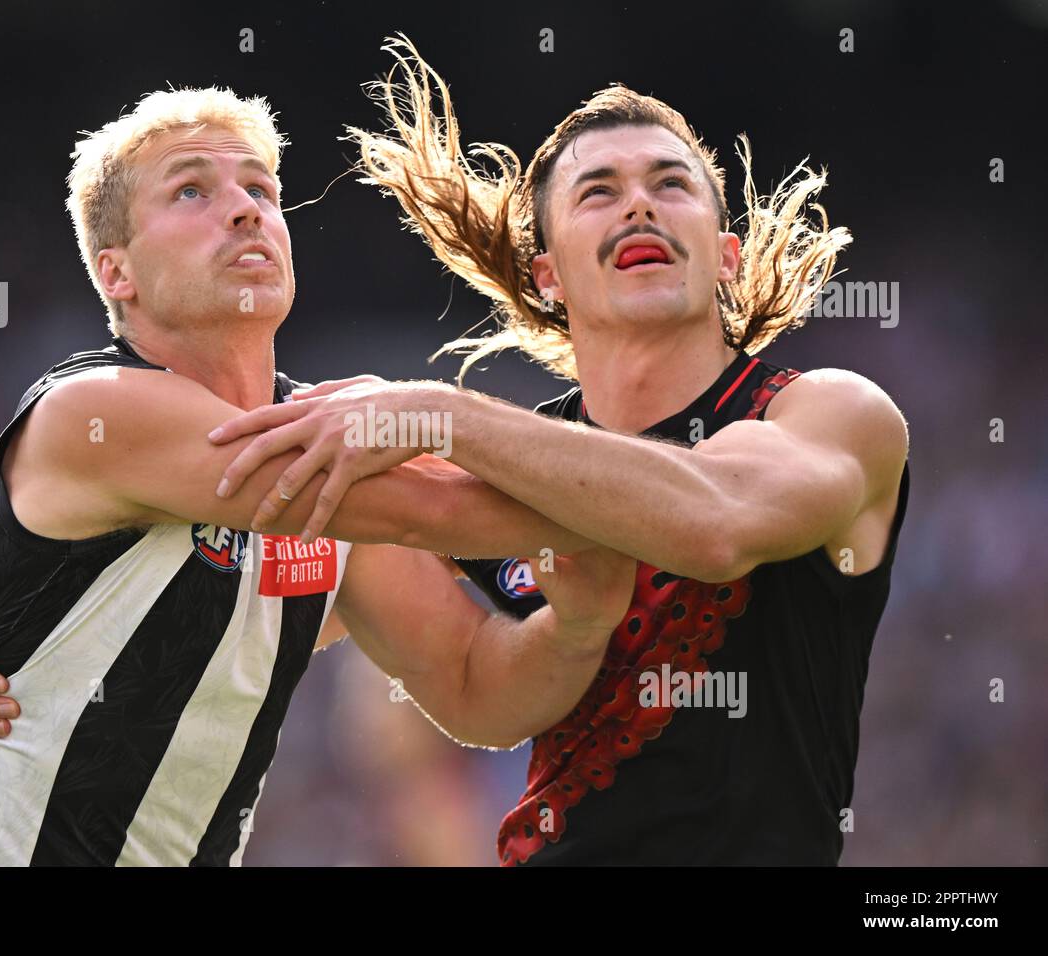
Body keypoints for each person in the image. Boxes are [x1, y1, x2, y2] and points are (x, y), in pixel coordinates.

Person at [205, 37, 910, 865]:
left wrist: (437, 412)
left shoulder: (829, 412)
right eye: (599, 192)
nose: (638, 207)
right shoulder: (494, 474)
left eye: (671, 185)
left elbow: (720, 520)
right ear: (547, 276)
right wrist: (16, 660)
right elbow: (265, 606)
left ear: (726, 259)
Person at [0, 84, 636, 867]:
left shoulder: (329, 447)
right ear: (117, 273)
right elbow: (438, 513)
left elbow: (473, 685)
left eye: (261, 189)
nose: (246, 209)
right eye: (191, 190)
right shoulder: (95, 415)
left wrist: (580, 621)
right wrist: (628, 502)